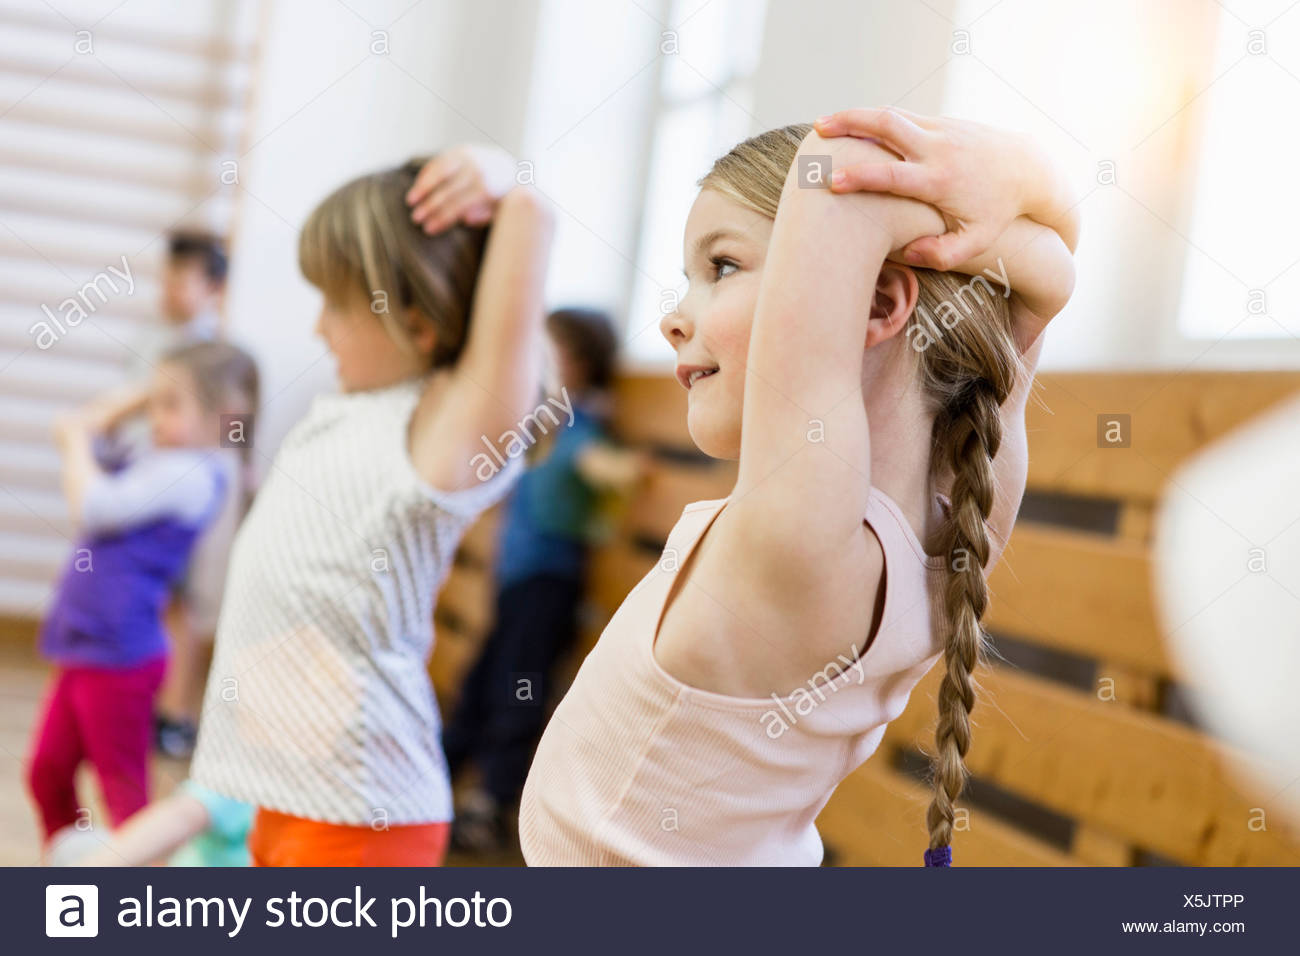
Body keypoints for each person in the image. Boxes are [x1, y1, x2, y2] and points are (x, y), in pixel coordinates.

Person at [518, 109, 1079, 866]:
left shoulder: (799, 536)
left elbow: (834, 173)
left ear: (877, 303)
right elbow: (1053, 272)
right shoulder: (954, 522)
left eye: (721, 266)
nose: (672, 320)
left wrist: (1012, 170)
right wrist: (1025, 182)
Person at [188, 144, 553, 867]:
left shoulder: (443, 431)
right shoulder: (353, 412)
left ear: (416, 324)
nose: (319, 328)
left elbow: (529, 233)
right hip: (286, 799)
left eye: (335, 304)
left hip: (363, 818)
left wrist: (502, 181)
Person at [25, 341, 259, 858]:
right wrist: (139, 402)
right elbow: (97, 433)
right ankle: (71, 886)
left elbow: (92, 504)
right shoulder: (162, 459)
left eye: (171, 406)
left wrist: (73, 441)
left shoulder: (195, 473)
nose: (155, 417)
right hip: (85, 650)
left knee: (125, 801)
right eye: (154, 403)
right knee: (47, 773)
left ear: (224, 417)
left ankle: (135, 907)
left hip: (120, 660)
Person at [442, 307, 644, 854]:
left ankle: (490, 802)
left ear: (580, 364)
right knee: (484, 679)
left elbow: (604, 471)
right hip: (514, 577)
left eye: (551, 354)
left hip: (546, 582)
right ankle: (441, 781)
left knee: (517, 686)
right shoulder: (545, 418)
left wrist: (611, 457)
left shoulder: (582, 423)